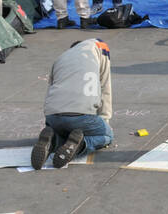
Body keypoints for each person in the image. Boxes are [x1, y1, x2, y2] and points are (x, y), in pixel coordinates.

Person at [32, 38, 115, 170]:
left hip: (53, 116)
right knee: (107, 136)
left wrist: (49, 121)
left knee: (67, 132)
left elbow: (50, 90)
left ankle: (54, 140)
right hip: (82, 115)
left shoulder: (60, 58)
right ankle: (82, 144)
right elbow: (105, 87)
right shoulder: (100, 46)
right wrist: (105, 121)